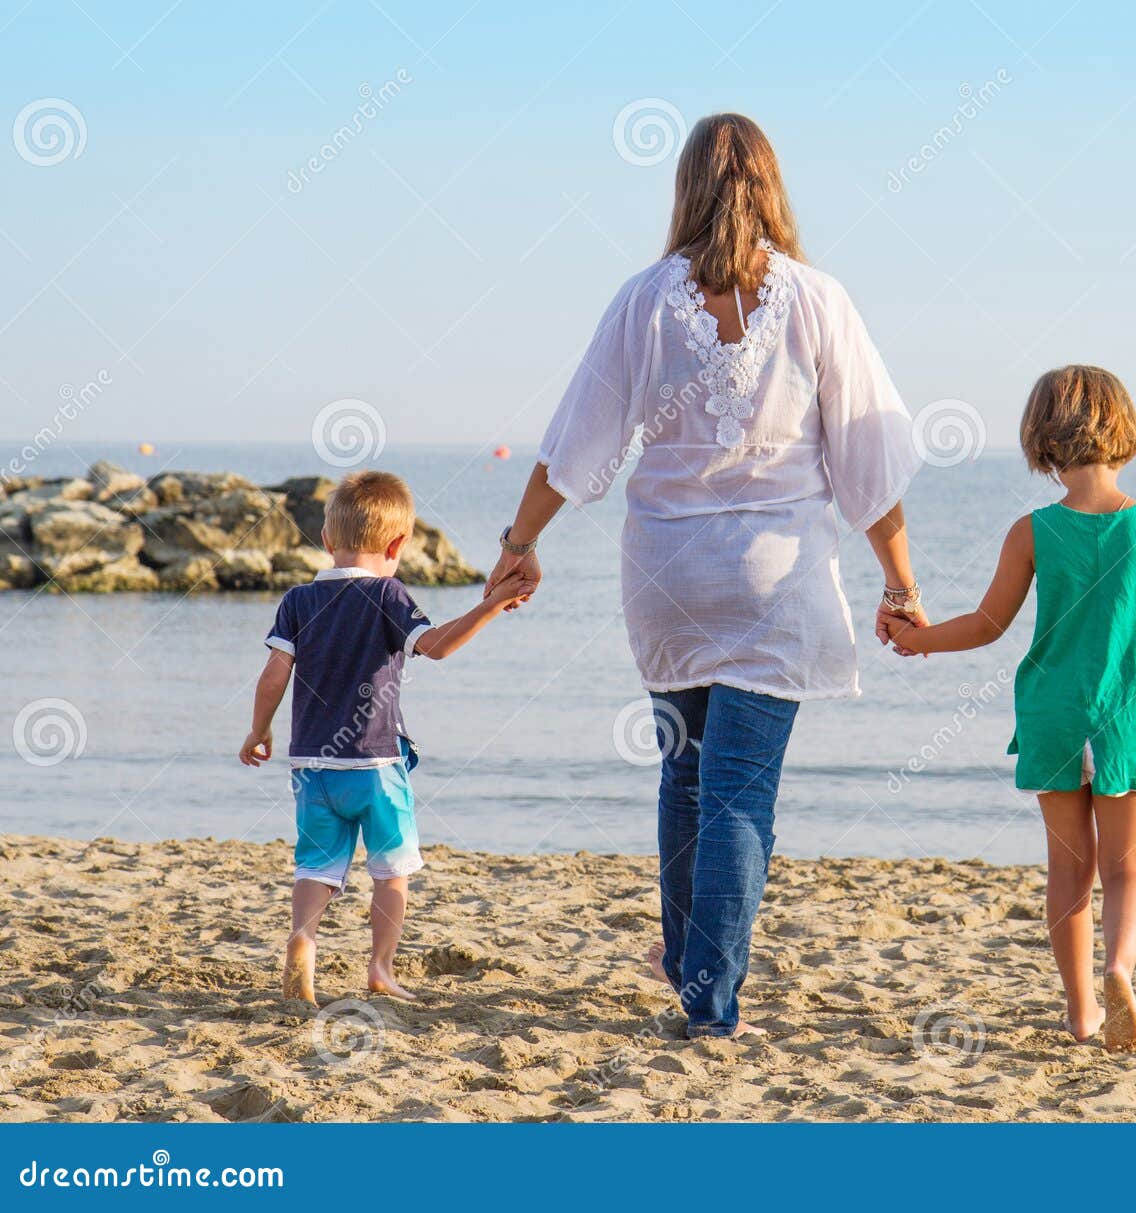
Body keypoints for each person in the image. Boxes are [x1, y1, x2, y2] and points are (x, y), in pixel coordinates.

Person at [484, 113, 925, 1038]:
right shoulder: (817, 299)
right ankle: (711, 1004)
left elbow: (574, 442)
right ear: (772, 186)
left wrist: (519, 542)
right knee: (737, 791)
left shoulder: (645, 299)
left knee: (684, 778)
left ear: (684, 187)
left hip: (668, 575)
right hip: (777, 578)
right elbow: (869, 460)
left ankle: (693, 973)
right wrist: (898, 584)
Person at [884, 365, 1136, 1051]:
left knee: (1069, 872)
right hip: (1128, 717)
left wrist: (921, 640)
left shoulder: (1031, 531)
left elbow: (989, 623)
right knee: (1128, 869)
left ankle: (1082, 1011)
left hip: (1052, 717)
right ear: (1124, 430)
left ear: (1043, 440)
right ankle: (1120, 965)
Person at [239, 470, 534, 1006]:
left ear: (327, 541)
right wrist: (490, 606)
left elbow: (273, 675)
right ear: (398, 545)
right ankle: (379, 968)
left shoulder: (298, 601)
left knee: (315, 867)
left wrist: (258, 731)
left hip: (312, 765)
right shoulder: (388, 595)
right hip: (375, 763)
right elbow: (438, 646)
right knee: (391, 872)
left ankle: (302, 942)